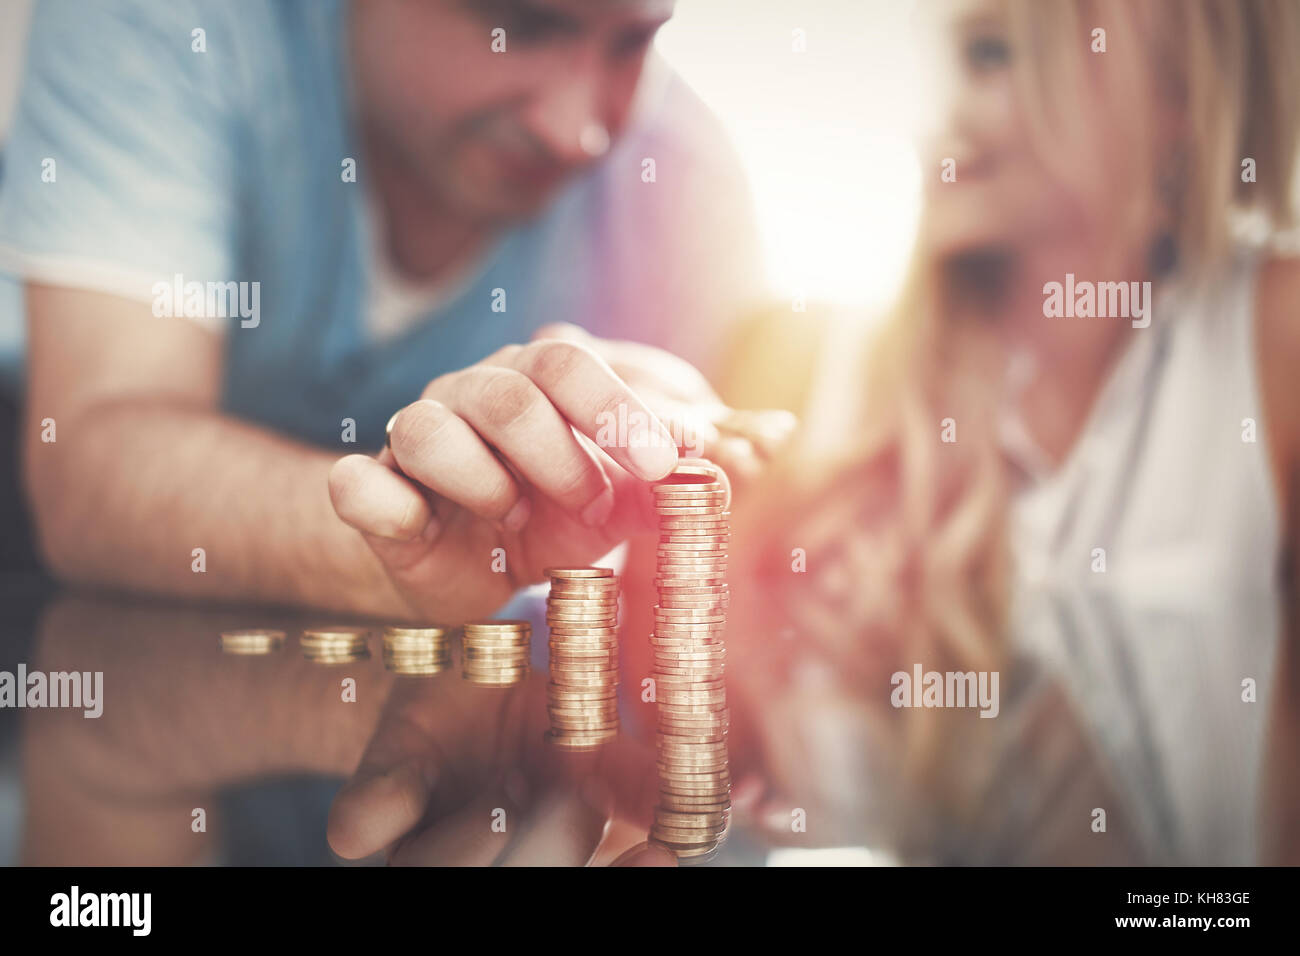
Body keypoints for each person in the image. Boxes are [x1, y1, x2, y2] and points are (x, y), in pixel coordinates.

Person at [709, 0, 1300, 864]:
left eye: (993, 56)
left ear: (1180, 93)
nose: (946, 114)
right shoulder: (824, 363)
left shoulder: (1267, 343)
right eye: (948, 62)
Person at [0, 0, 773, 623]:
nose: (579, 130)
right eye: (523, 25)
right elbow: (93, 467)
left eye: (634, 42)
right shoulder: (159, 22)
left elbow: (723, 540)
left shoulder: (684, 176)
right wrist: (407, 545)